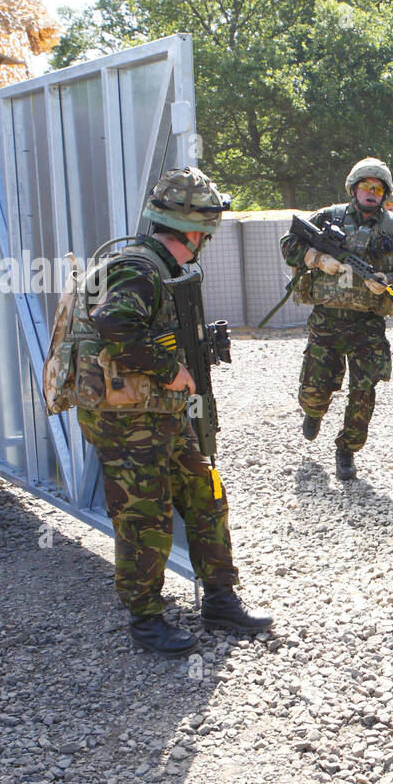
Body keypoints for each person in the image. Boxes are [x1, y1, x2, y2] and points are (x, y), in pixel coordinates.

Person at [67, 167, 271, 656]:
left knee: (204, 491)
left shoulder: (159, 266)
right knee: (144, 514)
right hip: (125, 419)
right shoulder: (137, 268)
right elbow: (115, 323)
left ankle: (219, 598)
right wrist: (170, 369)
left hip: (158, 412)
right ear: (196, 231)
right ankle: (145, 620)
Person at [280, 157, 393, 480]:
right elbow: (289, 243)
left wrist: (387, 281)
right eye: (365, 186)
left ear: (385, 194)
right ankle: (314, 411)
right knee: (314, 390)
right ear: (353, 189)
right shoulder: (329, 216)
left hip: (367, 324)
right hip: (326, 320)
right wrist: (315, 257)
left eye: (378, 189)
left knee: (364, 390)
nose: (371, 192)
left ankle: (347, 450)